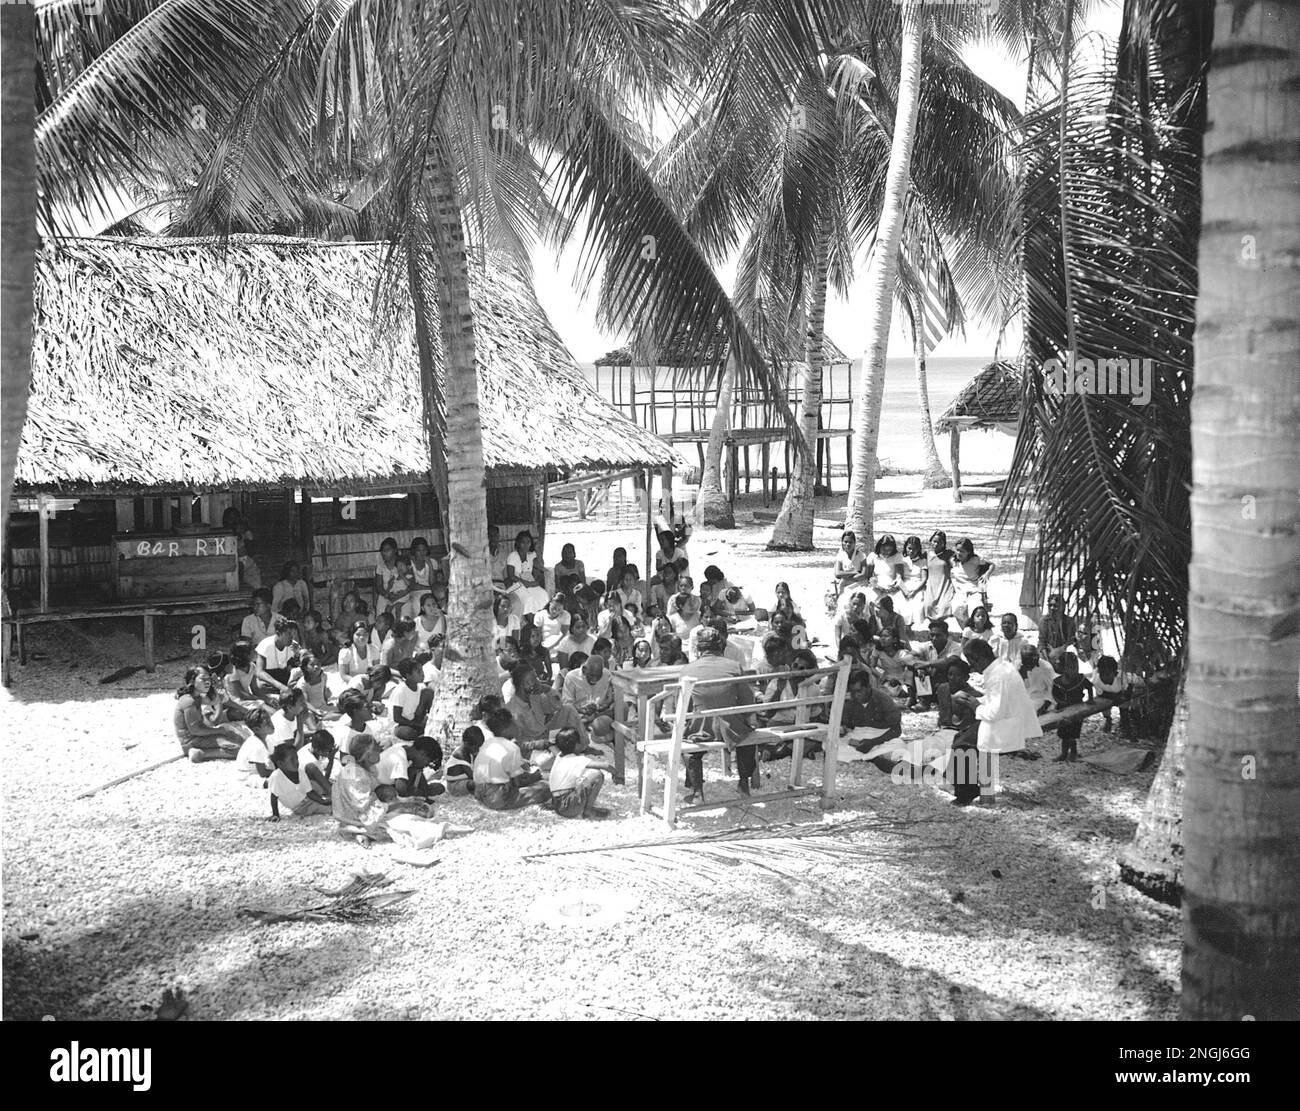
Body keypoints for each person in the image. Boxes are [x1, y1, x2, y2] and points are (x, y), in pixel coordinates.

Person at [678, 626, 762, 800]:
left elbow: (685, 707)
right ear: (721, 647)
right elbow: (747, 701)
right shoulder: (734, 666)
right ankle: (744, 783)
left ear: (698, 649)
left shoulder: (687, 670)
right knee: (747, 733)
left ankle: (697, 791)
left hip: (701, 728)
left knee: (687, 748)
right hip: (732, 727)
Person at [963, 639, 1044, 799]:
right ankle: (984, 791)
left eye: (972, 661)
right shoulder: (1002, 666)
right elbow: (997, 700)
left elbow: (995, 713)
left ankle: (978, 795)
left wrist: (974, 706)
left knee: (965, 744)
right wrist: (978, 701)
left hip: (1007, 724)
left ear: (979, 658)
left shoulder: (997, 676)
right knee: (969, 736)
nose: (972, 666)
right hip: (1011, 718)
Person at [333, 735, 444, 841]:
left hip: (358, 810)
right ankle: (360, 833)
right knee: (404, 822)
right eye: (376, 749)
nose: (380, 751)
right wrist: (402, 804)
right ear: (368, 755)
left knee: (407, 812)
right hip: (353, 816)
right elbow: (364, 807)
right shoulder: (356, 774)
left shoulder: (359, 769)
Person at [472, 708, 551, 810]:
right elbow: (518, 783)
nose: (517, 726)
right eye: (513, 723)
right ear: (506, 730)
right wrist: (537, 776)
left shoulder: (488, 743)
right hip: (497, 798)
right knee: (545, 788)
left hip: (479, 792)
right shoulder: (512, 748)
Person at [507, 664, 587, 750]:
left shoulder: (534, 695)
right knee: (552, 757)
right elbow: (517, 742)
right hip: (534, 743)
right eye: (533, 679)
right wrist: (538, 744)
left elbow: (557, 706)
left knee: (568, 709)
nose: (537, 681)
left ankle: (584, 746)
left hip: (547, 733)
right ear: (524, 684)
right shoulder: (513, 709)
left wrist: (547, 689)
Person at [174, 667, 244, 762]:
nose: (207, 682)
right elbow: (195, 731)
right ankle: (201, 754)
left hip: (198, 736)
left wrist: (218, 687)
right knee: (239, 749)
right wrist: (219, 731)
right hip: (191, 741)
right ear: (192, 681)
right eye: (203, 679)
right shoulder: (189, 701)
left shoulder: (197, 696)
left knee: (236, 737)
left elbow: (215, 700)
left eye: (208, 679)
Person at [548, 727, 613, 819]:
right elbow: (605, 766)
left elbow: (551, 745)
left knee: (583, 777)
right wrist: (616, 773)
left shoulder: (559, 756)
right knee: (596, 775)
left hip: (557, 805)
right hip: (568, 806)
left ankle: (580, 807)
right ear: (576, 745)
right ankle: (588, 811)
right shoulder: (577, 760)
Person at [943, 659, 983, 806]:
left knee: (961, 746)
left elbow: (975, 721)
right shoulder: (943, 690)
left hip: (973, 731)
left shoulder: (973, 696)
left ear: (966, 677)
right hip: (952, 731)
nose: (952, 678)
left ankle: (966, 792)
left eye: (958, 675)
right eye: (950, 674)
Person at [839, 669, 904, 753]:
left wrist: (873, 742)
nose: (855, 695)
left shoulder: (884, 700)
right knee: (834, 745)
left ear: (868, 687)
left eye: (859, 691)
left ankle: (874, 756)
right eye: (852, 692)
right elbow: (847, 726)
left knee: (898, 744)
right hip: (858, 737)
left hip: (881, 738)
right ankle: (872, 757)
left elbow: (897, 730)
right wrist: (843, 729)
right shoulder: (849, 702)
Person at [905, 619, 964, 707]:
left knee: (953, 668)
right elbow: (907, 658)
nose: (934, 638)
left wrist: (926, 664)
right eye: (932, 635)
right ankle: (917, 699)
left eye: (938, 635)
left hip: (945, 680)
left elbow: (950, 660)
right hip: (930, 679)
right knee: (911, 668)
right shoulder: (926, 645)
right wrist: (919, 665)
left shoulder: (954, 647)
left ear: (946, 635)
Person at [561, 653, 616, 744]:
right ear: (585, 669)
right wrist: (582, 710)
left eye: (598, 676)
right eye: (591, 675)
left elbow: (610, 698)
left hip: (601, 714)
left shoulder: (607, 674)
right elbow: (567, 704)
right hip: (579, 717)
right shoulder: (571, 677)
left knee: (621, 708)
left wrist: (603, 706)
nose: (594, 679)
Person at [267, 744, 331, 819]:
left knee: (318, 788)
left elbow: (309, 792)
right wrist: (275, 814)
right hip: (301, 807)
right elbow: (274, 796)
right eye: (292, 760)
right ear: (281, 763)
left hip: (307, 798)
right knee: (328, 808)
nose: (296, 762)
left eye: (296, 758)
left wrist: (322, 801)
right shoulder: (276, 777)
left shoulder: (300, 772)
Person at [1051, 651, 1092, 761]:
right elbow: (1054, 694)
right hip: (1063, 710)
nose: (1073, 669)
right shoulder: (1058, 681)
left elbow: (1089, 686)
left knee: (1073, 734)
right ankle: (1064, 754)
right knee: (1064, 734)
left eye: (1074, 667)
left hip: (1077, 709)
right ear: (1062, 668)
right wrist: (1060, 702)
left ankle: (1073, 753)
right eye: (1069, 667)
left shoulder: (1080, 679)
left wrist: (1090, 699)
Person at [377, 735, 445, 800]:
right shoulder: (400, 759)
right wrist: (421, 794)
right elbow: (401, 789)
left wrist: (425, 789)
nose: (426, 765)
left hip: (383, 781)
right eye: (428, 761)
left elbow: (417, 771)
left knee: (414, 770)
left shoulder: (402, 747)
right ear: (422, 754)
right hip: (378, 787)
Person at [504, 530, 550, 617]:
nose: (526, 545)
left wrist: (537, 550)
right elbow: (511, 576)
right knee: (528, 599)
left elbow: (540, 565)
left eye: (528, 542)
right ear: (518, 543)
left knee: (543, 595)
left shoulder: (531, 555)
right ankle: (532, 623)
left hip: (530, 582)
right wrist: (526, 583)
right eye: (523, 542)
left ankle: (540, 620)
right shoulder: (513, 555)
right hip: (516, 584)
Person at [388, 658, 434, 741]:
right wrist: (416, 724)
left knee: (428, 692)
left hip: (415, 719)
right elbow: (397, 717)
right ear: (408, 675)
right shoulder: (401, 691)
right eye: (418, 672)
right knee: (408, 733)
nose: (422, 674)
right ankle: (419, 731)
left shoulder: (421, 687)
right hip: (401, 724)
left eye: (422, 670)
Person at [951, 538, 994, 626]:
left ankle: (978, 630)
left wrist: (986, 575)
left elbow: (992, 565)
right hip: (960, 592)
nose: (959, 553)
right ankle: (965, 630)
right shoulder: (953, 561)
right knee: (956, 609)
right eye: (957, 550)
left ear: (968, 552)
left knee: (975, 611)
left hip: (974, 591)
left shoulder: (975, 560)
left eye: (962, 551)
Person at [255, 618, 298, 695]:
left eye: (294, 634)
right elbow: (259, 672)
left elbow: (296, 666)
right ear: (279, 633)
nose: (292, 637)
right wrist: (280, 686)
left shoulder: (293, 646)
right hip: (269, 677)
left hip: (285, 675)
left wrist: (297, 654)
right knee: (260, 687)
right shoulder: (266, 645)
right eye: (289, 634)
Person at [832, 530, 870, 610]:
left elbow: (864, 574)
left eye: (850, 542)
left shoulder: (861, 555)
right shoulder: (840, 556)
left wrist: (846, 577)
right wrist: (854, 572)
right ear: (842, 542)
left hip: (859, 584)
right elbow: (838, 573)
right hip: (845, 585)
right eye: (845, 542)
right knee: (844, 603)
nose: (848, 544)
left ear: (854, 543)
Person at [897, 536, 930, 627]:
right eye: (909, 548)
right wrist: (905, 591)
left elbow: (924, 578)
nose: (911, 551)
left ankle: (910, 627)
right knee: (902, 606)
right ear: (905, 548)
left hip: (918, 587)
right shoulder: (902, 560)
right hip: (904, 586)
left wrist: (914, 592)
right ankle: (905, 628)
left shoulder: (923, 561)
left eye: (914, 549)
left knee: (917, 606)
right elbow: (899, 577)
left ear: (918, 549)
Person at [924, 530, 955, 620]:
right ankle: (934, 629)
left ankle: (940, 629)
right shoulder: (927, 554)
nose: (936, 544)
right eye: (934, 541)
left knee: (944, 607)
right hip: (931, 586)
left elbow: (957, 566)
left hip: (945, 586)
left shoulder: (949, 554)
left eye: (939, 542)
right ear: (931, 541)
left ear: (944, 543)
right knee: (928, 606)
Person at [867, 534, 906, 605]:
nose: (887, 552)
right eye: (884, 549)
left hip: (892, 588)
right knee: (871, 602)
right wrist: (875, 585)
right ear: (880, 546)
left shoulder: (897, 556)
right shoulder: (873, 556)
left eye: (889, 550)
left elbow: (899, 575)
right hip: (877, 587)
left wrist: (895, 586)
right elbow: (869, 575)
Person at [1038, 594, 1077, 664]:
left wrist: (1058, 650)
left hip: (1064, 654)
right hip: (1047, 654)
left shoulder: (1069, 622)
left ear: (1062, 607)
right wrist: (1048, 661)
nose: (1052, 608)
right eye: (1050, 605)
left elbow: (1071, 641)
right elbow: (1042, 642)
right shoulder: (1043, 621)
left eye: (1055, 606)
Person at [1092, 655, 1126, 733]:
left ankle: (1124, 722)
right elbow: (1101, 694)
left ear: (1115, 672)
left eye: (1107, 674)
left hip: (1123, 690)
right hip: (1109, 694)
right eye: (1102, 674)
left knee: (1124, 703)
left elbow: (1129, 687)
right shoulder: (1097, 681)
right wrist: (1114, 697)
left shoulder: (1122, 678)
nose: (1104, 677)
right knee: (1103, 704)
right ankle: (1108, 718)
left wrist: (1122, 696)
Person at [1019, 645, 1057, 714]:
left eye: (1029, 665)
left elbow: (1053, 691)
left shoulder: (1046, 668)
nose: (1027, 667)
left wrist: (1042, 709)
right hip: (1025, 701)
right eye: (1025, 664)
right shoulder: (1019, 667)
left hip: (1041, 701)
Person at [337, 620, 378, 684]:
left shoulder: (374, 649)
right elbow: (344, 675)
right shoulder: (345, 652)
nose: (362, 637)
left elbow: (377, 671)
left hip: (371, 682)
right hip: (352, 683)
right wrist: (359, 683)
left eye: (365, 634)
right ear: (352, 635)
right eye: (358, 634)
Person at [298, 729, 337, 795]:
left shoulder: (311, 746)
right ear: (318, 750)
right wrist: (331, 759)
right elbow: (325, 783)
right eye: (328, 750)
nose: (331, 751)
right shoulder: (312, 763)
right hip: (306, 790)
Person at [373, 537, 403, 616]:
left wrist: (398, 594)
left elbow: (408, 582)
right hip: (385, 594)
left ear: (395, 550)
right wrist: (387, 594)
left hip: (401, 594)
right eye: (383, 551)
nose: (384, 553)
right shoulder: (380, 566)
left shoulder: (402, 564)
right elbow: (379, 586)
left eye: (387, 550)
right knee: (381, 614)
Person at [667, 575, 702, 639]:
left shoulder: (697, 599)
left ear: (692, 587)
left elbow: (696, 613)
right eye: (681, 586)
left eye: (686, 586)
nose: (683, 588)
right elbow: (670, 614)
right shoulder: (673, 599)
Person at [487, 524, 509, 592]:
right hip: (487, 586)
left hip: (500, 587)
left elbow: (506, 577)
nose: (493, 538)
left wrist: (508, 590)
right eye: (490, 536)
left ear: (498, 537)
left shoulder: (504, 553)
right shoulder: (482, 554)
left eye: (495, 535)